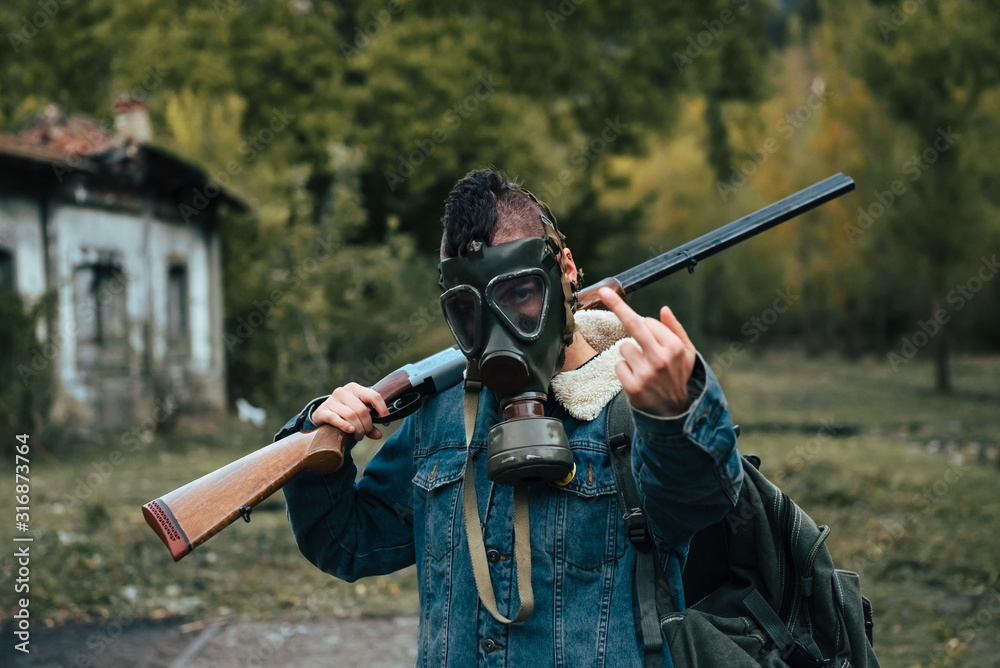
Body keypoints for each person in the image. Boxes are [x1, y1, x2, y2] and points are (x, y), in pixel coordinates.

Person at [277, 168, 744, 666]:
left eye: (519, 294)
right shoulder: (441, 417)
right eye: (470, 310)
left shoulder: (637, 403)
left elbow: (704, 500)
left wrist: (679, 411)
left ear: (566, 270)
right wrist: (320, 441)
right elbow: (347, 544)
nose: (497, 330)